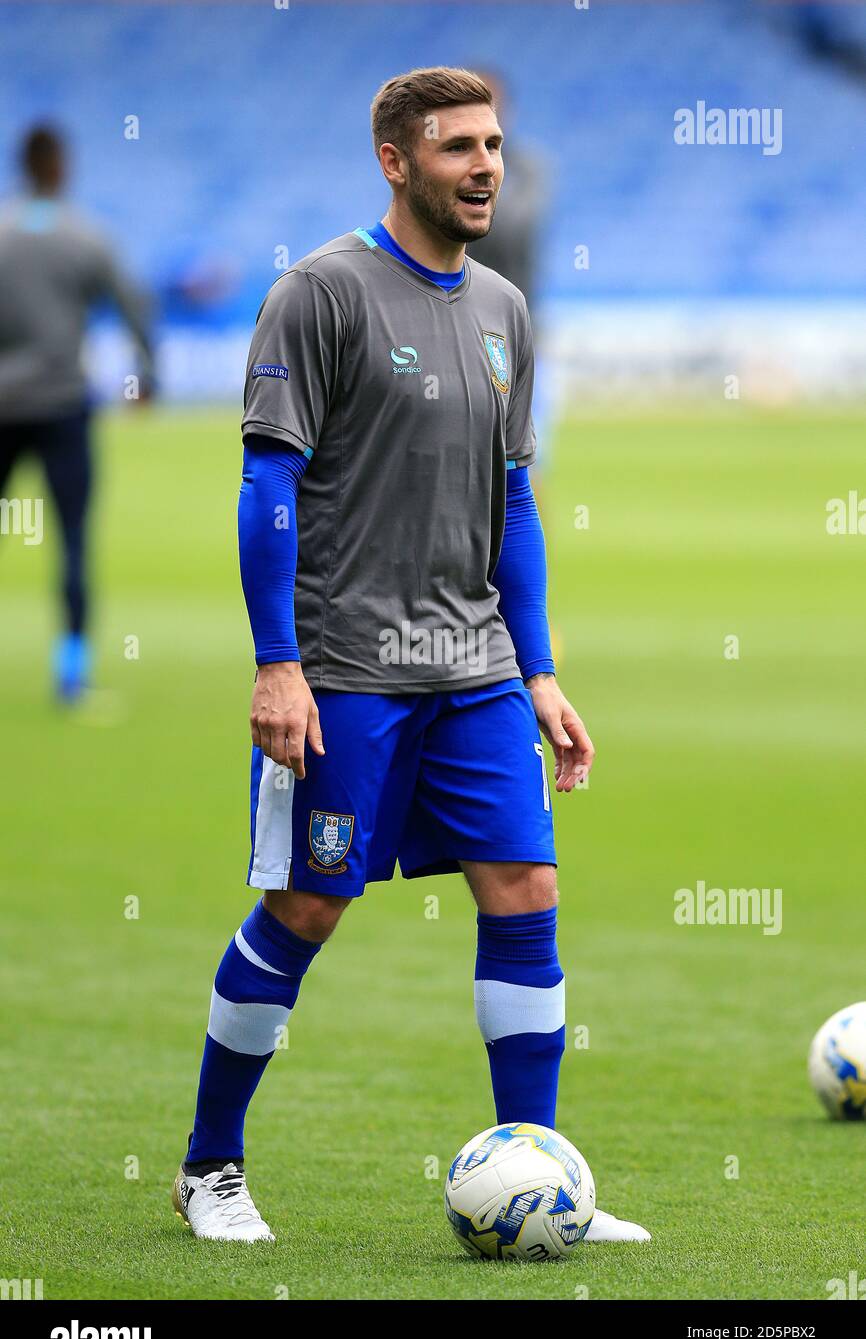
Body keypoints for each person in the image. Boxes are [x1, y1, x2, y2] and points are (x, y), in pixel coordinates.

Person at [173, 67, 649, 1247]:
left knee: (524, 892)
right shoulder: (318, 294)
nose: (486, 165)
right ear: (396, 160)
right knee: (305, 905)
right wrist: (277, 662)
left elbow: (514, 503)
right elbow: (264, 485)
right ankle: (207, 1166)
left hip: (475, 667)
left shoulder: (503, 308)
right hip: (343, 669)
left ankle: (538, 1177)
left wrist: (537, 670)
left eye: (492, 144)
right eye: (457, 149)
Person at [0, 125, 155, 700]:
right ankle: (72, 670)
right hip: (62, 404)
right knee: (71, 539)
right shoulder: (84, 236)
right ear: (59, 167)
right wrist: (148, 372)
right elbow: (134, 303)